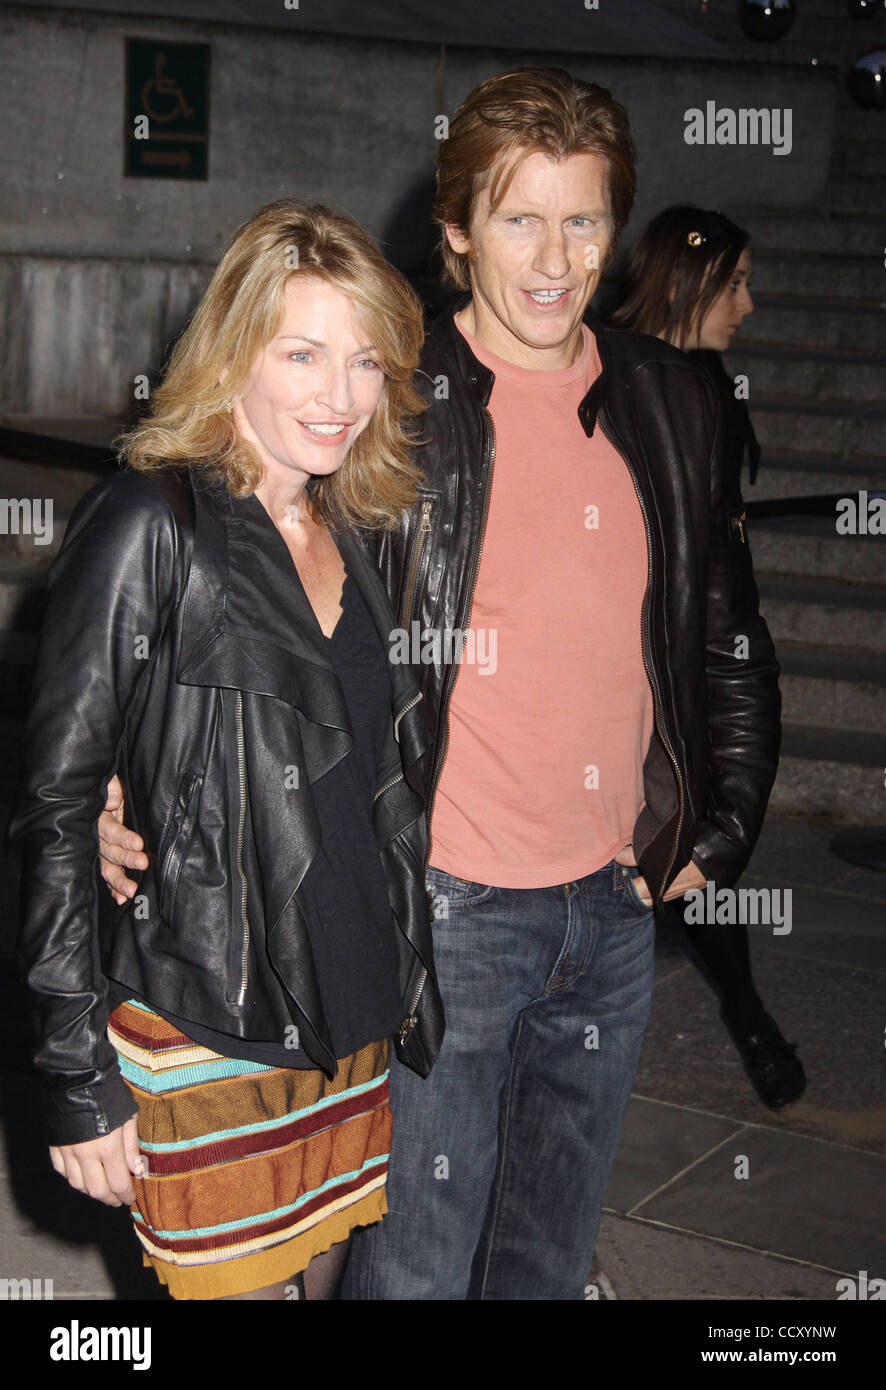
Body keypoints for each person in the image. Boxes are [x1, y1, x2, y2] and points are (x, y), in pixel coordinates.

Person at [98, 68, 782, 1301]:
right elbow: (229, 569)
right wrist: (127, 778)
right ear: (457, 229)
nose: (554, 260)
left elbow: (728, 630)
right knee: (412, 1267)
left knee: (546, 1260)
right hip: (442, 903)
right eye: (519, 219)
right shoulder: (385, 395)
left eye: (582, 220)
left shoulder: (675, 399)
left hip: (613, 906)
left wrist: (717, 827)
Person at [9, 199, 444, 1301]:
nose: (338, 395)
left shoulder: (356, 529)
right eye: (302, 353)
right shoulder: (149, 521)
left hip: (354, 1016)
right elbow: (55, 805)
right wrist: (72, 1068)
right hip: (207, 1015)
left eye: (364, 361)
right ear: (233, 351)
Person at [611, 205, 804, 1110]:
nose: (749, 304)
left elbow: (720, 576)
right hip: (627, 668)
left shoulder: (706, 386)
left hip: (694, 658)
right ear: (691, 283)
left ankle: (750, 1015)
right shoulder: (615, 374)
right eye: (736, 283)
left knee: (691, 852)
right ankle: (751, 1018)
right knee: (671, 847)